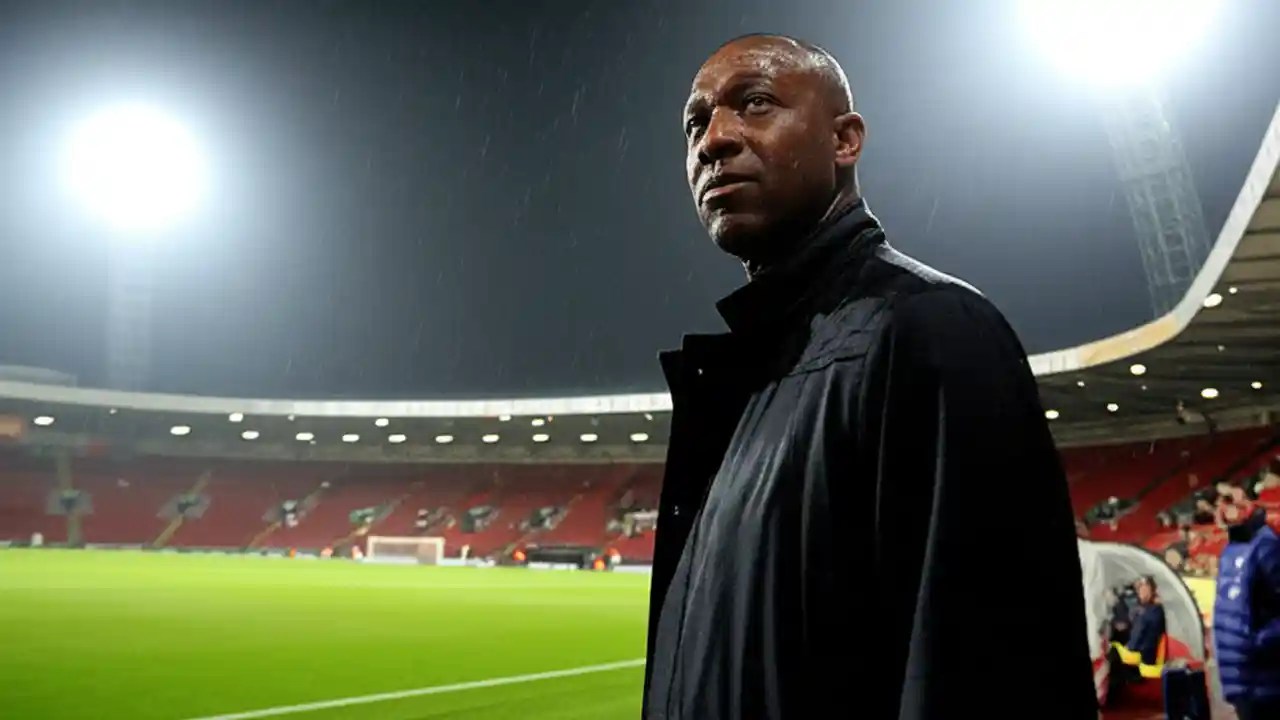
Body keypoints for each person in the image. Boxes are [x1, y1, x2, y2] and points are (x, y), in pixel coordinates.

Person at [644, 33, 1095, 719]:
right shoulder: (758, 372)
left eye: (755, 104)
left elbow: (993, 676)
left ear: (844, 140)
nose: (714, 139)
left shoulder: (931, 332)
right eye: (696, 122)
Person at [1214, 498, 1280, 720]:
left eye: (1232, 501)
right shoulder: (1229, 551)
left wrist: (1260, 641)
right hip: (1237, 677)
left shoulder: (1267, 545)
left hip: (1264, 678)